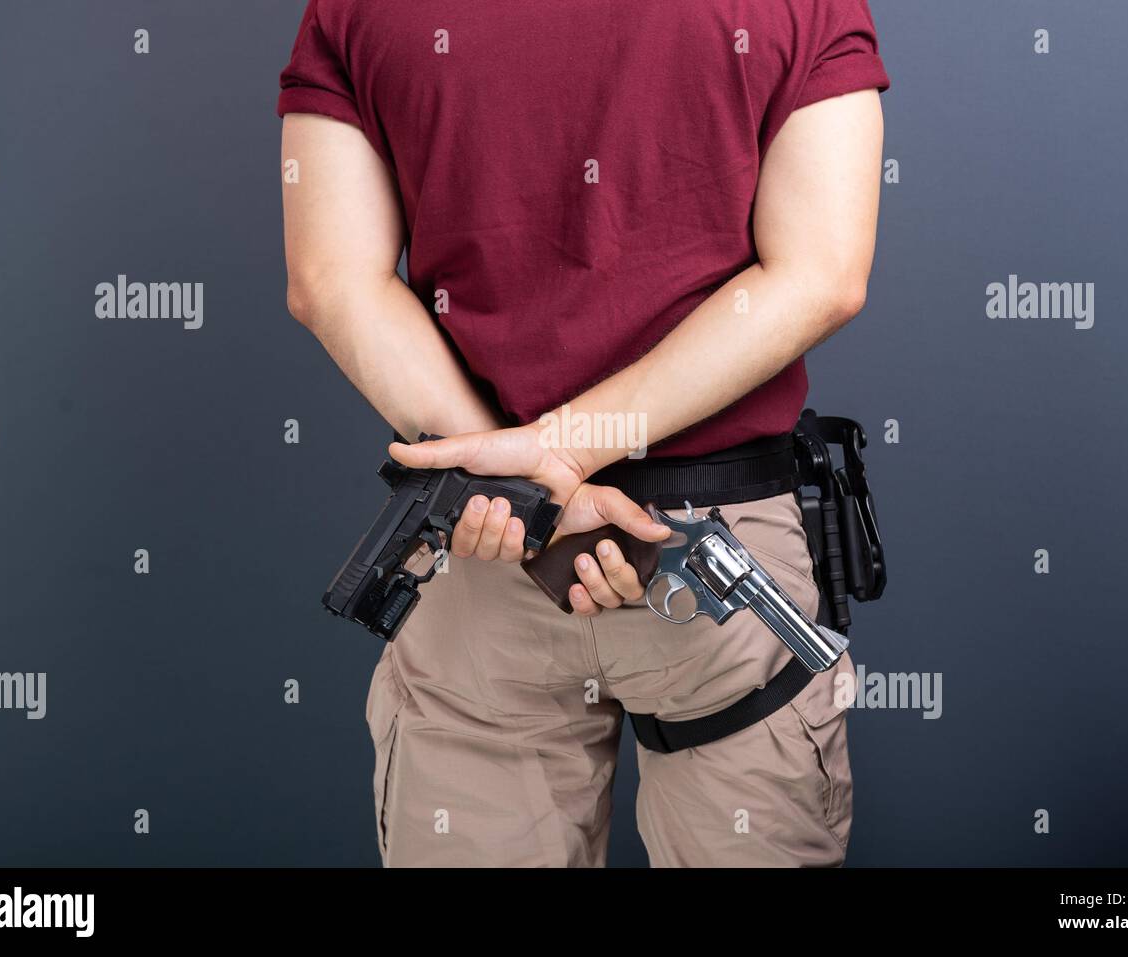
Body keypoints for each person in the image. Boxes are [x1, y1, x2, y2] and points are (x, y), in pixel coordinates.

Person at [278, 0, 889, 867]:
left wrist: (526, 468)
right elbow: (822, 274)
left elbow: (331, 282)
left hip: (487, 532)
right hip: (717, 543)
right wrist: (563, 453)